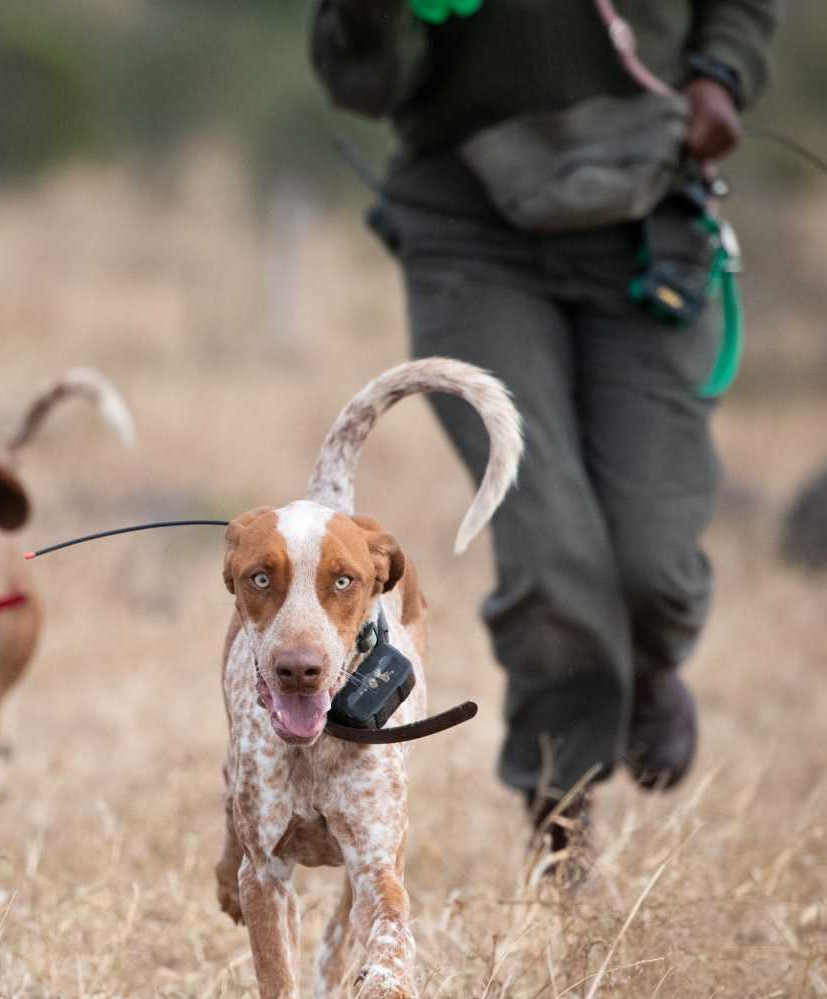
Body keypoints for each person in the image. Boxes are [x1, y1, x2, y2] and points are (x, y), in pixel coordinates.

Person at [310, 0, 778, 871]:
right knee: (552, 555)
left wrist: (723, 70)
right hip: (469, 221)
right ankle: (560, 820)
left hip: (648, 209)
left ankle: (647, 658)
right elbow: (360, 77)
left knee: (655, 560)